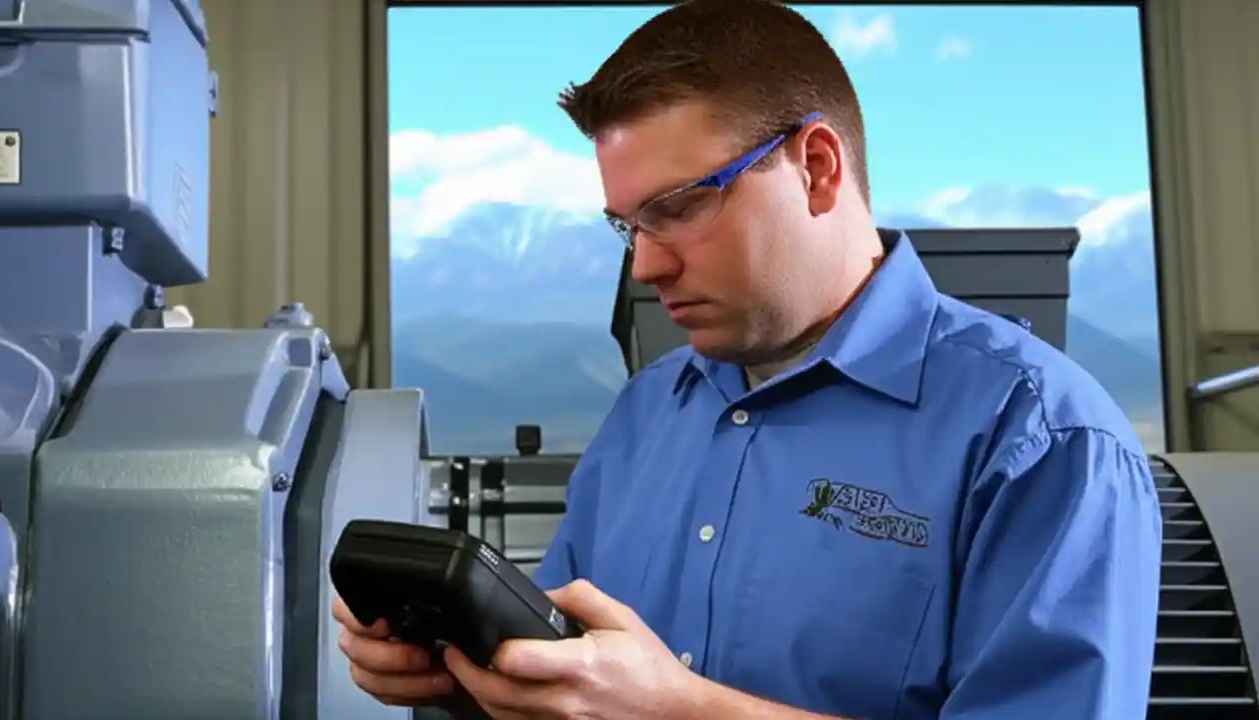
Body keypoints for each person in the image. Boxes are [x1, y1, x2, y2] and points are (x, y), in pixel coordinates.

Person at [334, 0, 1164, 717]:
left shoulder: (1040, 439)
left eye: (681, 207)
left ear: (817, 168)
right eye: (628, 226)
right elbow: (576, 691)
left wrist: (678, 711)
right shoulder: (646, 415)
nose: (646, 266)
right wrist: (464, 682)